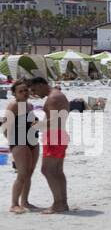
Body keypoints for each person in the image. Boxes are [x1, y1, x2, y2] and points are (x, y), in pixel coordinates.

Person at [26, 77, 69, 213]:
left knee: (47, 170)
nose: (34, 94)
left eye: (34, 89)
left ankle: (58, 203)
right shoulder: (57, 95)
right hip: (60, 135)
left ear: (41, 85)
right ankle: (63, 203)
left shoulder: (53, 98)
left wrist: (35, 125)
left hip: (54, 136)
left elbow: (55, 120)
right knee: (57, 171)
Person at [4, 79, 41, 213]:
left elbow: (31, 122)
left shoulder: (30, 106)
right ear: (14, 94)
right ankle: (14, 204)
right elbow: (5, 127)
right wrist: (13, 144)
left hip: (33, 141)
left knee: (29, 173)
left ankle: (25, 201)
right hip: (19, 142)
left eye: (26, 90)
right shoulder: (13, 106)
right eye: (21, 91)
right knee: (22, 174)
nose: (25, 93)